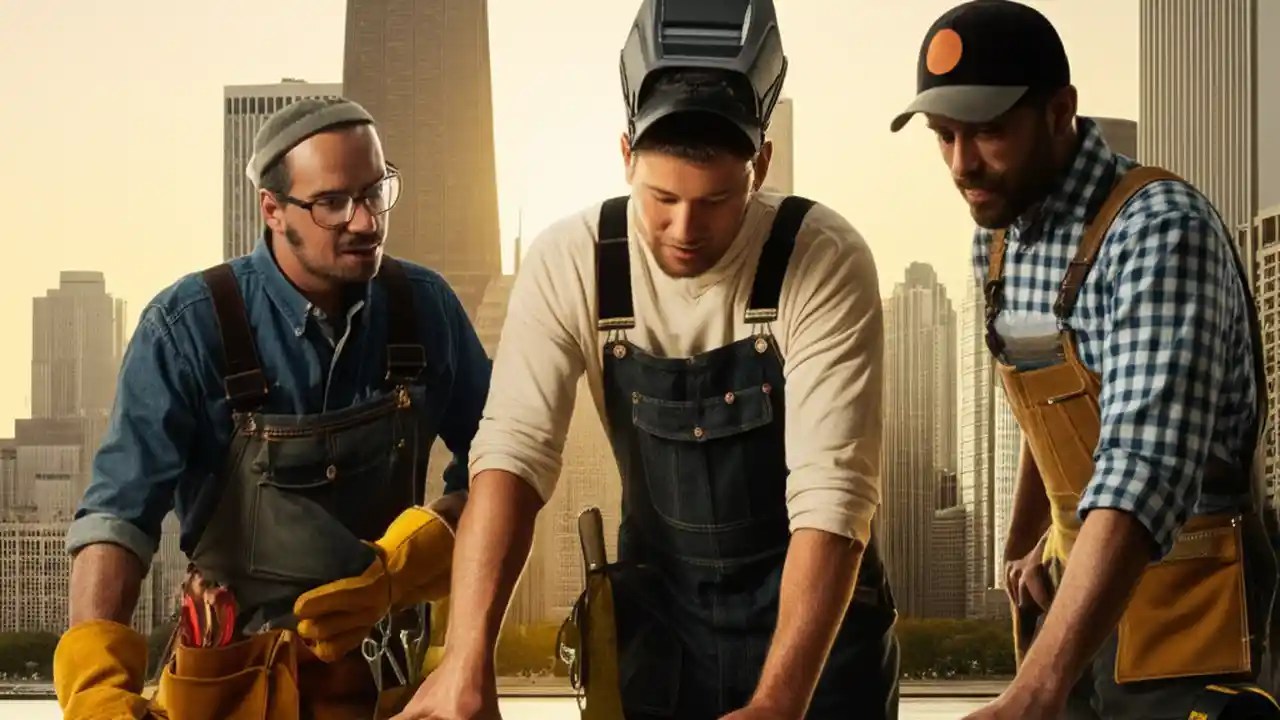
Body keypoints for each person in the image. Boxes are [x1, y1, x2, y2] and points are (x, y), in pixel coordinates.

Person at [394, 1, 901, 719]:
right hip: (659, 628)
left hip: (819, 639)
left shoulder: (821, 258)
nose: (685, 230)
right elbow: (511, 457)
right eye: (662, 198)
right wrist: (466, 662)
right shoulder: (573, 260)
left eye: (718, 200)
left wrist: (779, 704)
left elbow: (834, 493)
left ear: (763, 163)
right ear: (625, 153)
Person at [892, 1, 1280, 718]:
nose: (961, 164)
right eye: (943, 137)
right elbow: (1051, 399)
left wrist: (1034, 689)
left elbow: (1142, 468)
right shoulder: (999, 240)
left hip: (1195, 625)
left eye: (987, 134)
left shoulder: (1160, 231)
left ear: (1059, 110)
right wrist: (1024, 547)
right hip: (1072, 616)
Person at [51, 97, 492, 720]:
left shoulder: (427, 310)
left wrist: (403, 567)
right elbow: (117, 520)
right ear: (272, 209)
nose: (366, 222)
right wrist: (94, 686)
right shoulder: (185, 328)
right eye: (334, 202)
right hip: (227, 690)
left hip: (383, 689)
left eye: (376, 192)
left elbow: (501, 469)